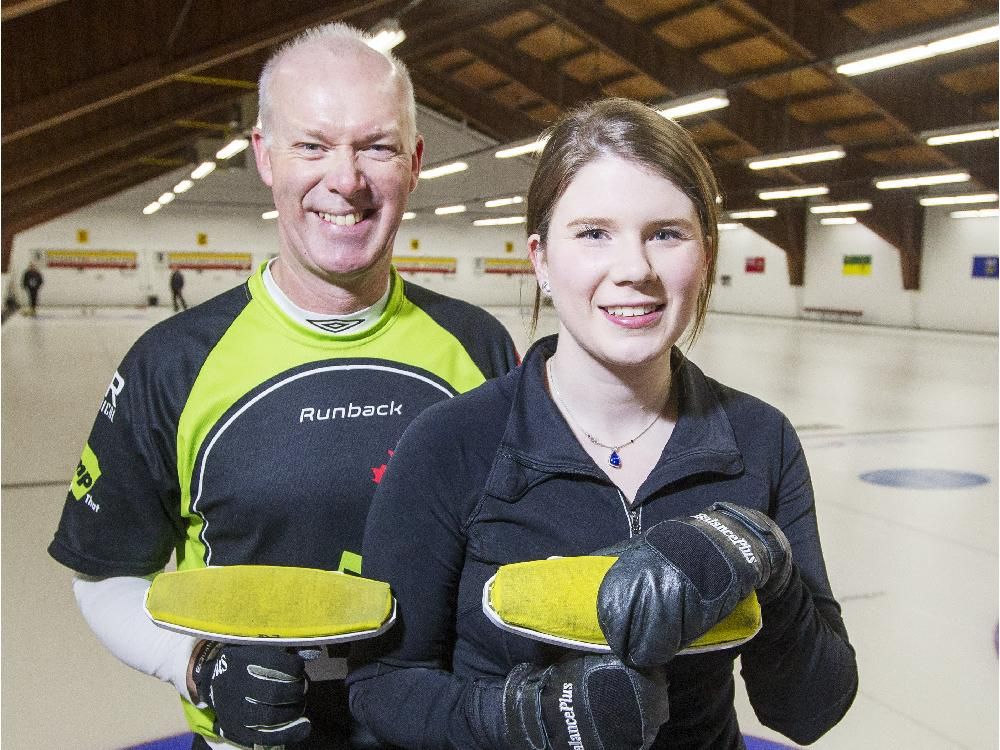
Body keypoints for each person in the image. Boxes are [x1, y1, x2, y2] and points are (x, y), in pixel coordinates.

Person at [47, 23, 518, 750]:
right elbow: (102, 575)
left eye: (377, 146)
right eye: (313, 144)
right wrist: (196, 663)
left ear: (415, 162)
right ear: (265, 157)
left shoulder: (480, 347)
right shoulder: (171, 362)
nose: (347, 179)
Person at [348, 98, 858, 749]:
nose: (635, 269)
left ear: (704, 254)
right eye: (594, 233)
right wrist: (521, 719)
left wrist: (772, 566)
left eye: (666, 233)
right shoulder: (450, 444)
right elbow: (384, 684)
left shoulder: (760, 440)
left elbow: (810, 711)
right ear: (540, 259)